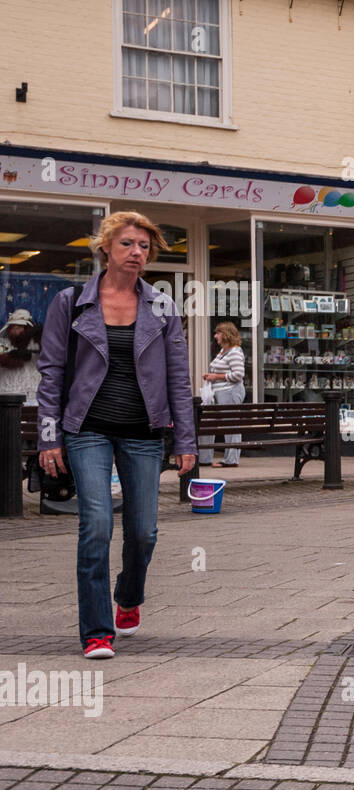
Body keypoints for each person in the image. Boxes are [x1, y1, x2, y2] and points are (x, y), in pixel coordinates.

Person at [36, 211, 197, 660]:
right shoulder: (71, 303)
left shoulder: (162, 307)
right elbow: (50, 374)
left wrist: (185, 441)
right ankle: (96, 631)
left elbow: (178, 380)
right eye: (127, 244)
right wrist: (49, 438)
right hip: (86, 429)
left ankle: (128, 597)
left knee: (144, 531)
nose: (137, 253)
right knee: (97, 525)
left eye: (144, 246)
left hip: (144, 433)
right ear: (105, 247)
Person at [198, 321, 246, 467]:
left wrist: (216, 377)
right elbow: (221, 370)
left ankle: (231, 460)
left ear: (225, 334)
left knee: (230, 425)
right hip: (217, 392)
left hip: (230, 392)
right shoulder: (223, 351)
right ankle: (204, 458)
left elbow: (238, 374)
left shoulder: (235, 352)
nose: (215, 336)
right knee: (207, 423)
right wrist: (211, 376)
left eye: (218, 333)